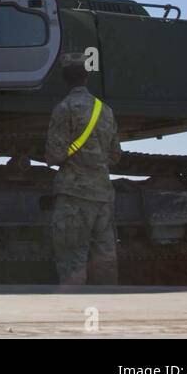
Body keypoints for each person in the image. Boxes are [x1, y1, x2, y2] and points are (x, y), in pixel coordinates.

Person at [44, 51, 122, 286]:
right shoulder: (105, 110)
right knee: (105, 257)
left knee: (72, 256)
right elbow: (116, 154)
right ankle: (108, 304)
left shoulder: (64, 108)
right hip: (103, 195)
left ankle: (76, 307)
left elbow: (55, 155)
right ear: (86, 77)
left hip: (74, 195)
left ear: (65, 79)